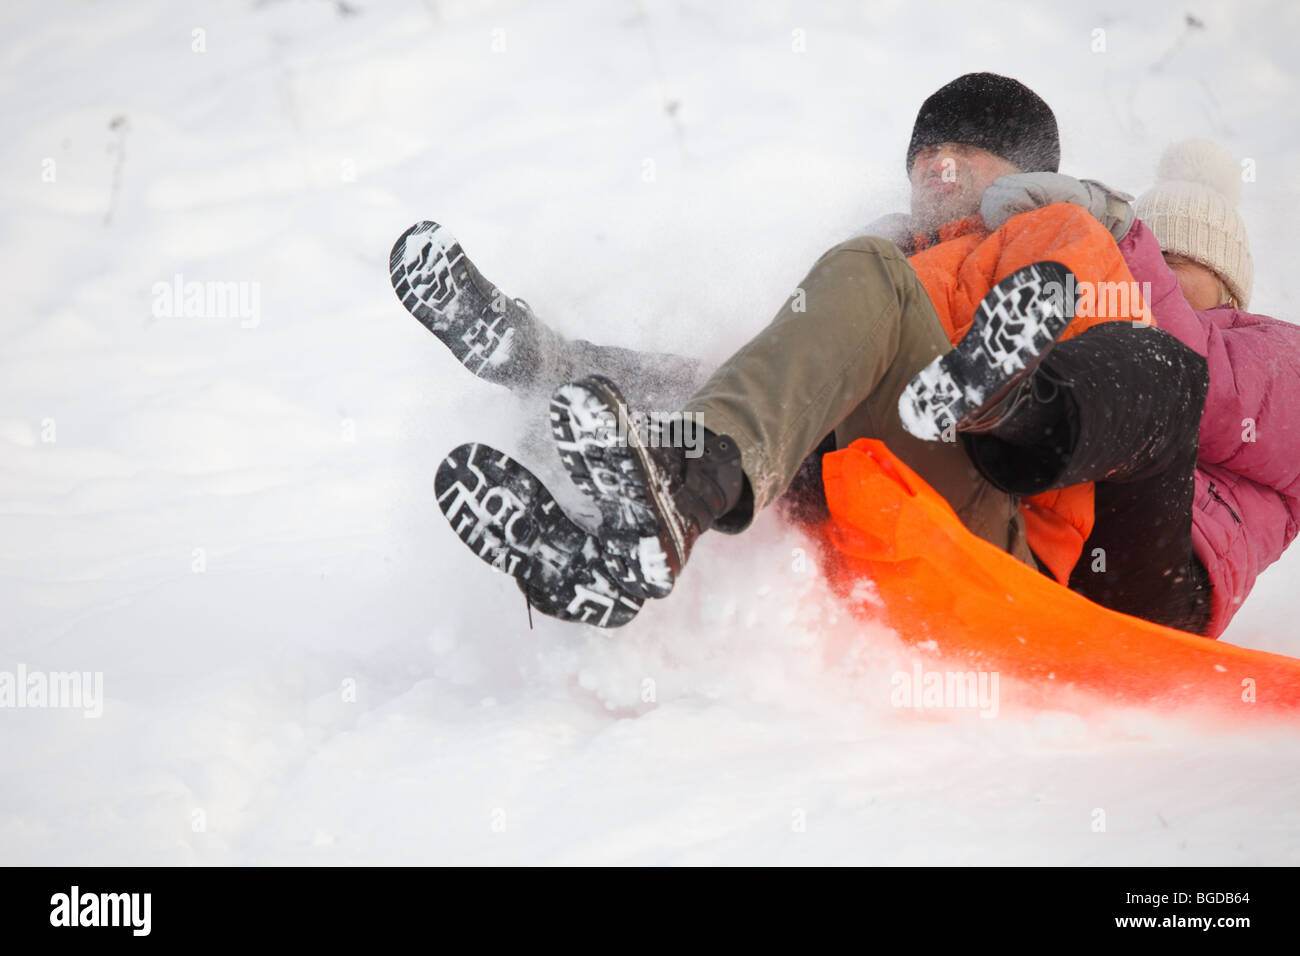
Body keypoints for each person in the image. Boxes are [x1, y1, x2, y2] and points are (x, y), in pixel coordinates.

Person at [407, 74, 1214, 633]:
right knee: (729, 387)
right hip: (879, 496)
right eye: (927, 157)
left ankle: (678, 490)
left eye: (966, 157)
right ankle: (595, 518)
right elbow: (763, 382)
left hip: (1009, 539)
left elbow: (1072, 358)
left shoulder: (1053, 233)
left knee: (853, 290)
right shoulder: (888, 263)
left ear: (1024, 177)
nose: (939, 171)